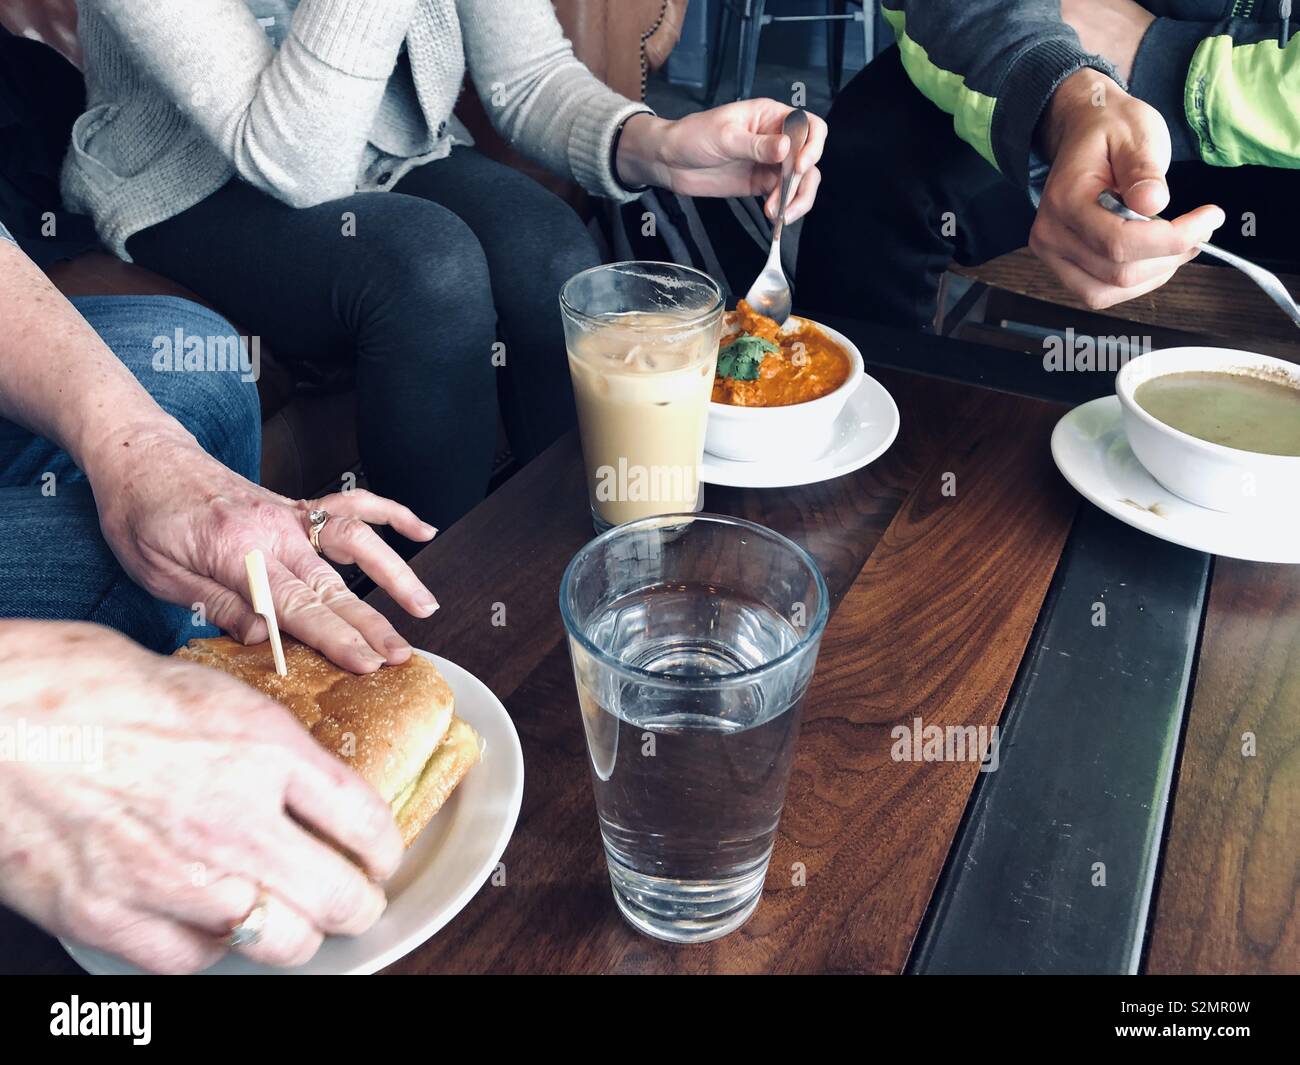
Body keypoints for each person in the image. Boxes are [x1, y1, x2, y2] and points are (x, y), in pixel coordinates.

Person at [63, 0, 828, 530]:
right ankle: (435, 638)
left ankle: (585, 588)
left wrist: (661, 145)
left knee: (552, 254)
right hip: (186, 176)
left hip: (383, 149)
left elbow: (527, 76)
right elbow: (296, 165)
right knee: (430, 273)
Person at [798, 0, 1299, 330]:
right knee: (874, 159)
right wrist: (1058, 89)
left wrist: (1164, 64)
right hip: (1074, 53)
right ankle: (852, 449)